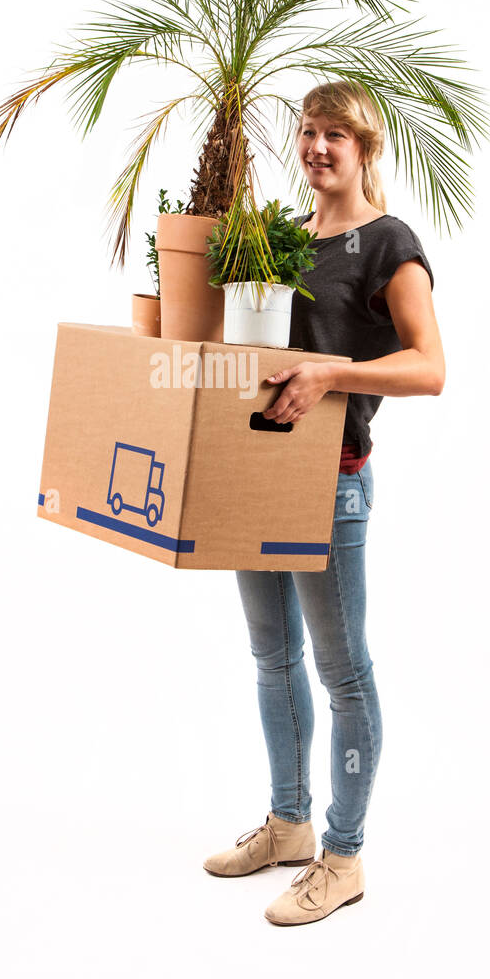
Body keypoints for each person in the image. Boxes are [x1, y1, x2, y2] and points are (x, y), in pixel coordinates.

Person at [203, 80, 445, 927]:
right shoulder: (280, 238)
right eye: (308, 131)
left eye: (334, 134)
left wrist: (330, 374)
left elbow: (430, 367)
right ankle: (290, 823)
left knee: (344, 672)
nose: (317, 147)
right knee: (272, 661)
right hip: (253, 474)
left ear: (366, 146)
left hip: (331, 482)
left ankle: (343, 857)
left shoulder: (388, 245)